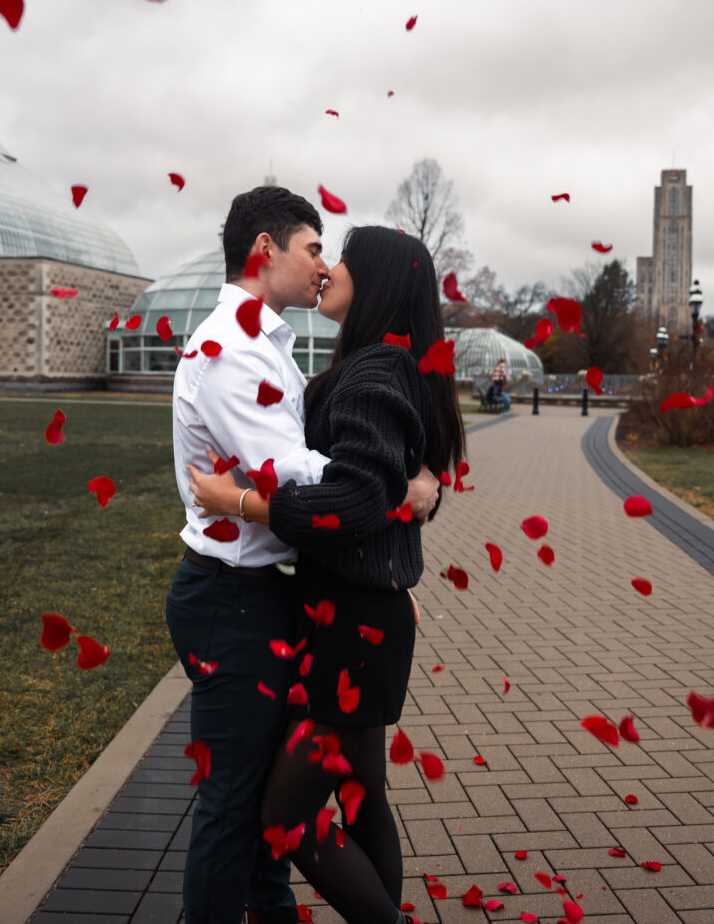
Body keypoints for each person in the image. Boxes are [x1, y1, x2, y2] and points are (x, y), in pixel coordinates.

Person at [166, 187, 439, 924]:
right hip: (234, 597)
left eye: (332, 255)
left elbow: (339, 477)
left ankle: (272, 909)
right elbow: (304, 478)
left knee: (283, 798)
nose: (324, 266)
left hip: (275, 593)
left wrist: (391, 521)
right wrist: (394, 488)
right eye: (315, 248)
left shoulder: (275, 346)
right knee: (237, 802)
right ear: (266, 250)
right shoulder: (234, 351)